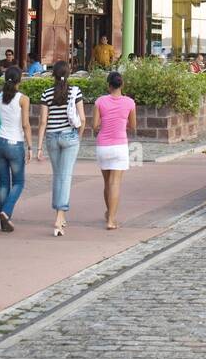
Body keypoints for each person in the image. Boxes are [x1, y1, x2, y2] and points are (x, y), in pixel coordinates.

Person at [36, 58, 85, 237]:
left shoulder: (46, 94)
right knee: (65, 177)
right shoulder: (75, 91)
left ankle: (61, 215)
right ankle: (59, 217)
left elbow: (42, 122)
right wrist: (78, 137)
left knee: (58, 176)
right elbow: (83, 119)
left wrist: (39, 147)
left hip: (51, 137)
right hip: (70, 136)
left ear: (53, 74)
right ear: (68, 73)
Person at [93, 71, 136, 231]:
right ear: (122, 85)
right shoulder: (130, 102)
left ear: (108, 85)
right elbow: (133, 126)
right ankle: (111, 219)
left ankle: (108, 213)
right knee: (115, 183)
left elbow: (95, 125)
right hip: (120, 145)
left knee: (107, 183)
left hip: (103, 145)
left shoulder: (100, 101)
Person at [0, 65, 31, 233]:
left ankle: (4, 222)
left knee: (3, 183)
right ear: (19, 80)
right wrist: (30, 146)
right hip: (15, 144)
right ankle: (6, 212)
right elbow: (25, 124)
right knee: (19, 182)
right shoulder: (23, 99)